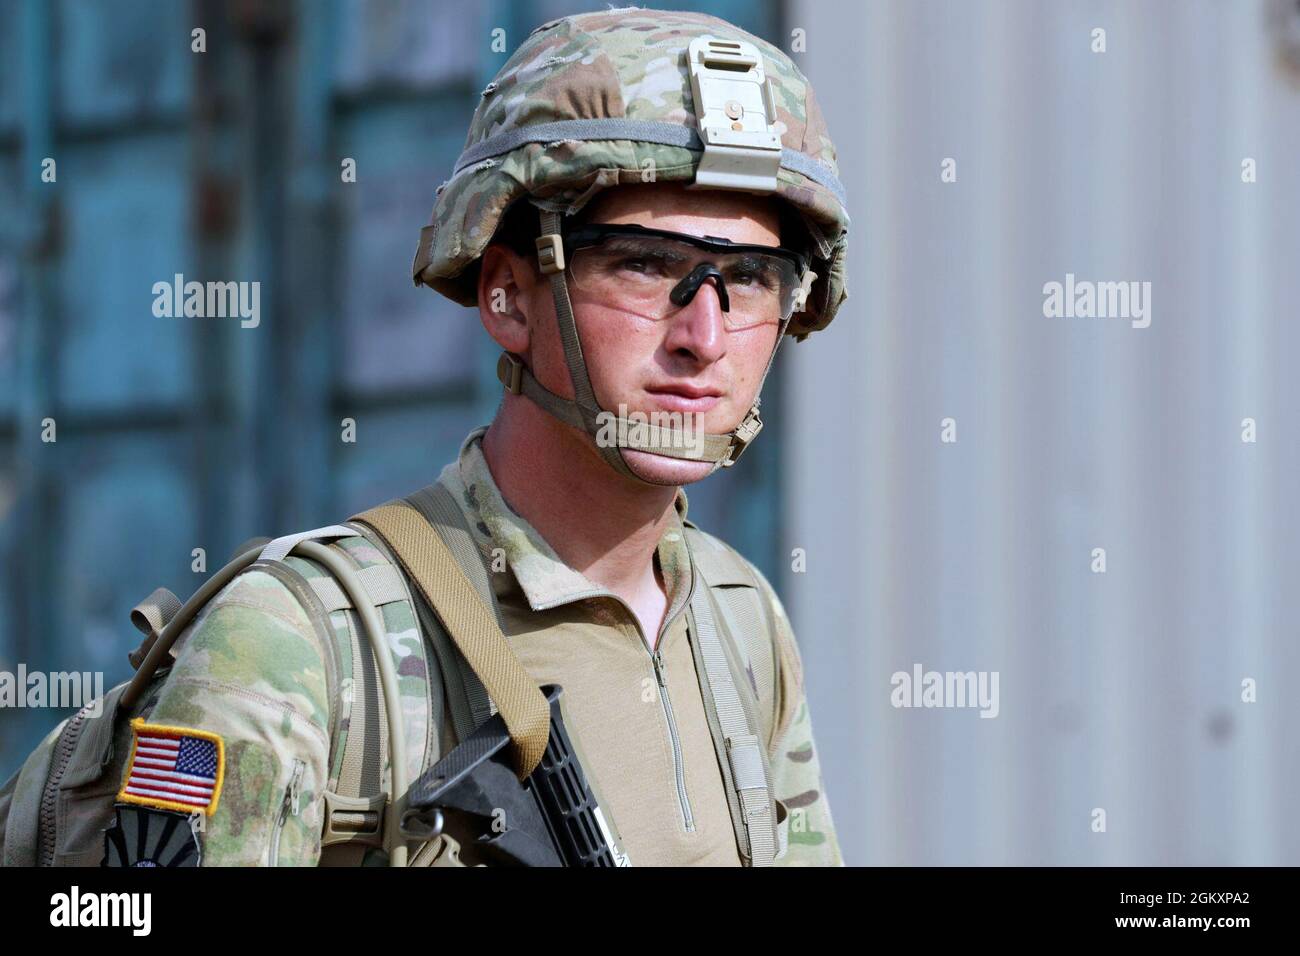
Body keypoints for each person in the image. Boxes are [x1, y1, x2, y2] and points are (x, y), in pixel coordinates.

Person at [0, 7, 850, 867]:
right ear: (509, 295)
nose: (703, 336)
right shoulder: (294, 645)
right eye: (644, 264)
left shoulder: (740, 621)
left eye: (748, 280)